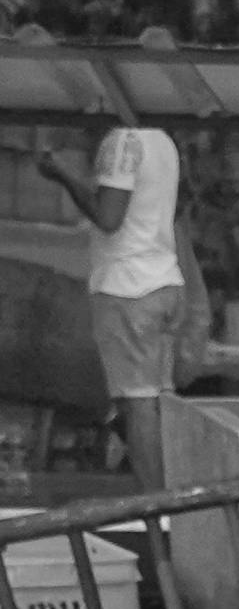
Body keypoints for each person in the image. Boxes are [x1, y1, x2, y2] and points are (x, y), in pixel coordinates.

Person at [37, 115, 184, 475]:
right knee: (154, 400)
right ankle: (169, 488)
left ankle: (156, 505)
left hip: (128, 288)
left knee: (138, 404)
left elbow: (108, 217)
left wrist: (64, 176)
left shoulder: (121, 142)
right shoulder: (162, 138)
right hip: (163, 282)